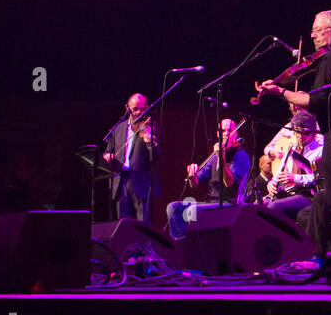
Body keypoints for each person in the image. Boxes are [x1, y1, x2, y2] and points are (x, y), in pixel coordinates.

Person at [255, 10, 331, 254]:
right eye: (313, 31)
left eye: (318, 30)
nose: (313, 36)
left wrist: (281, 93)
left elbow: (323, 101)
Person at [166, 118, 250, 238]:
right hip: (212, 202)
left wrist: (222, 158)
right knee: (173, 207)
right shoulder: (214, 157)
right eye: (223, 130)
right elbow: (194, 184)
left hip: (230, 204)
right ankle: (180, 246)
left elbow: (229, 183)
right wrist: (191, 176)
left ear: (235, 133)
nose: (226, 133)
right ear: (218, 134)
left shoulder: (240, 155)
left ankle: (194, 247)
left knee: (197, 211)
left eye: (230, 130)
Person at [103, 93, 159, 222]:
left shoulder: (151, 127)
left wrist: (150, 144)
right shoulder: (118, 128)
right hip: (121, 182)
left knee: (143, 225)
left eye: (143, 109)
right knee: (123, 226)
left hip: (141, 183)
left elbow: (157, 157)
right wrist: (108, 156)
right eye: (135, 109)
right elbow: (109, 151)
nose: (139, 112)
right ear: (127, 108)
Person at [262, 110, 324, 221]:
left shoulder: (320, 151)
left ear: (313, 132)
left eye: (304, 133)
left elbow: (319, 178)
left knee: (274, 207)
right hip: (287, 193)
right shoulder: (292, 149)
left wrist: (295, 178)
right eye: (296, 132)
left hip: (306, 195)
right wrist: (272, 183)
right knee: (255, 207)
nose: (300, 136)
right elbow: (278, 175)